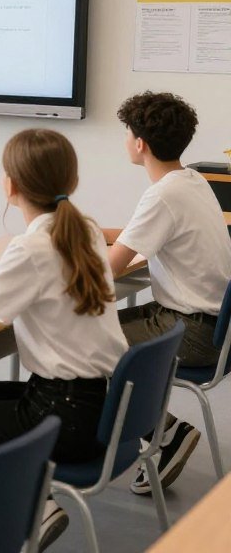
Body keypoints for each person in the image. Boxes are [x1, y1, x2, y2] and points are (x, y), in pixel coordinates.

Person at [0, 129, 128, 550]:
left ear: (10, 186)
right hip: (91, 404)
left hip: (61, 414)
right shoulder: (82, 229)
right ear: (71, 182)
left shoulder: (32, 246)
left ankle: (28, 505)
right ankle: (31, 499)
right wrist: (0, 282)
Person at [105, 91, 231, 495]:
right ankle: (164, 431)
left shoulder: (162, 194)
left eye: (127, 133)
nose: (126, 140)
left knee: (85, 341)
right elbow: (136, 236)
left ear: (140, 143)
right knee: (96, 330)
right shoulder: (191, 180)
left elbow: (111, 268)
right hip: (214, 328)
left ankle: (165, 434)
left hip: (191, 331)